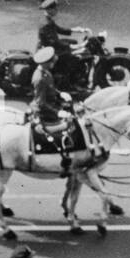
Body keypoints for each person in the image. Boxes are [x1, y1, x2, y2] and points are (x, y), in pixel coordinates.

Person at [29, 47, 76, 175]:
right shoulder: (39, 78)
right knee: (67, 126)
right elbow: (41, 103)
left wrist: (61, 94)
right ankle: (63, 159)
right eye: (51, 62)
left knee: (74, 115)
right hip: (44, 112)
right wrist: (58, 112)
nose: (53, 64)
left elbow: (51, 89)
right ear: (45, 63)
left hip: (51, 105)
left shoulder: (46, 73)